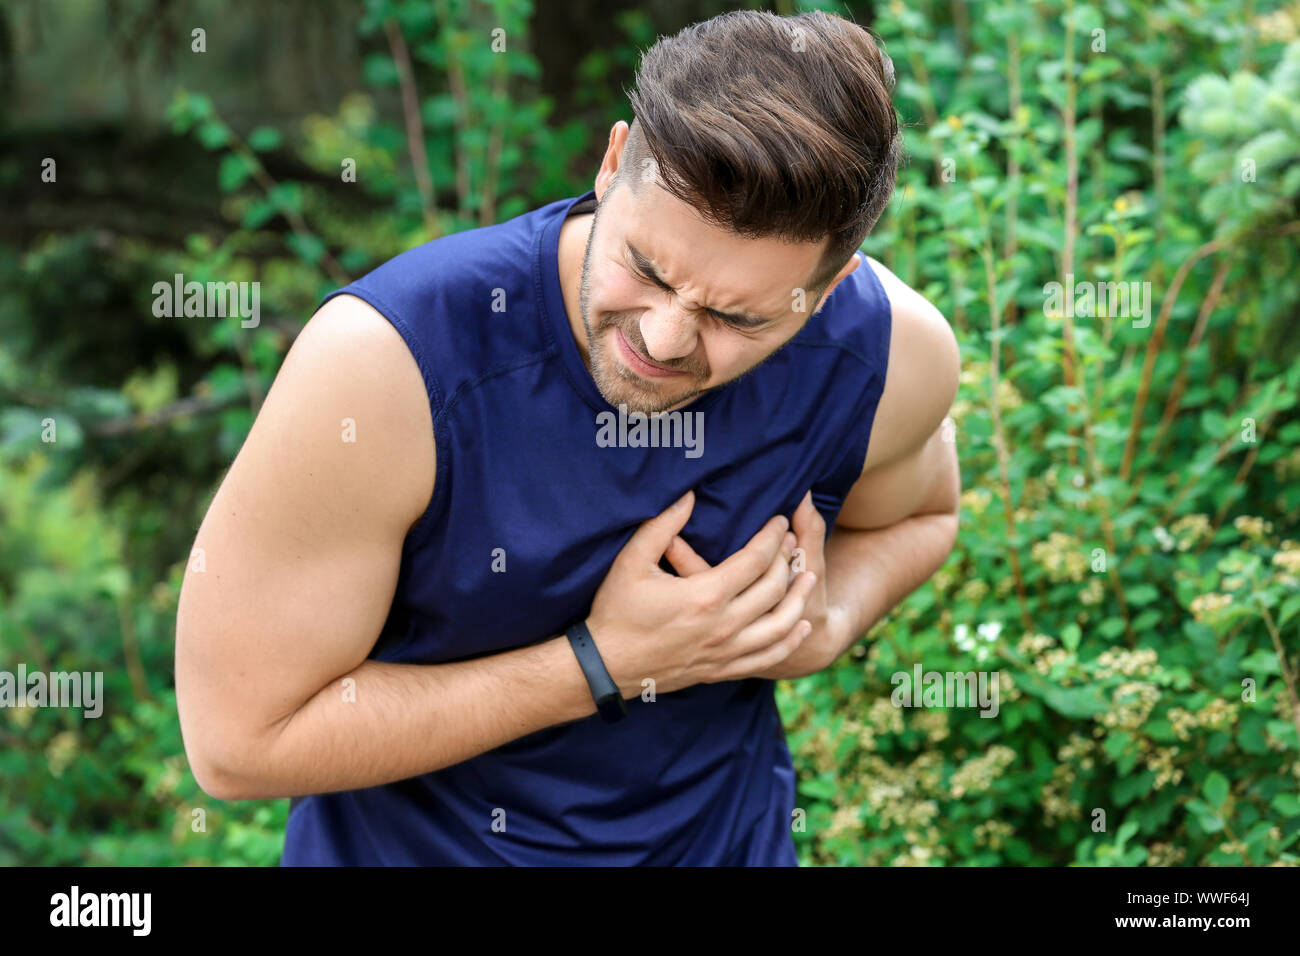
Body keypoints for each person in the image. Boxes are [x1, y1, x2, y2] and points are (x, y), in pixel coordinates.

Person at [175, 8, 961, 865]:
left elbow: (921, 518)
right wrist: (602, 663)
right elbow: (240, 742)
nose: (664, 340)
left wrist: (823, 623)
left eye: (738, 317)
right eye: (648, 269)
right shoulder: (389, 363)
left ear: (832, 279)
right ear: (614, 160)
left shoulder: (890, 353)